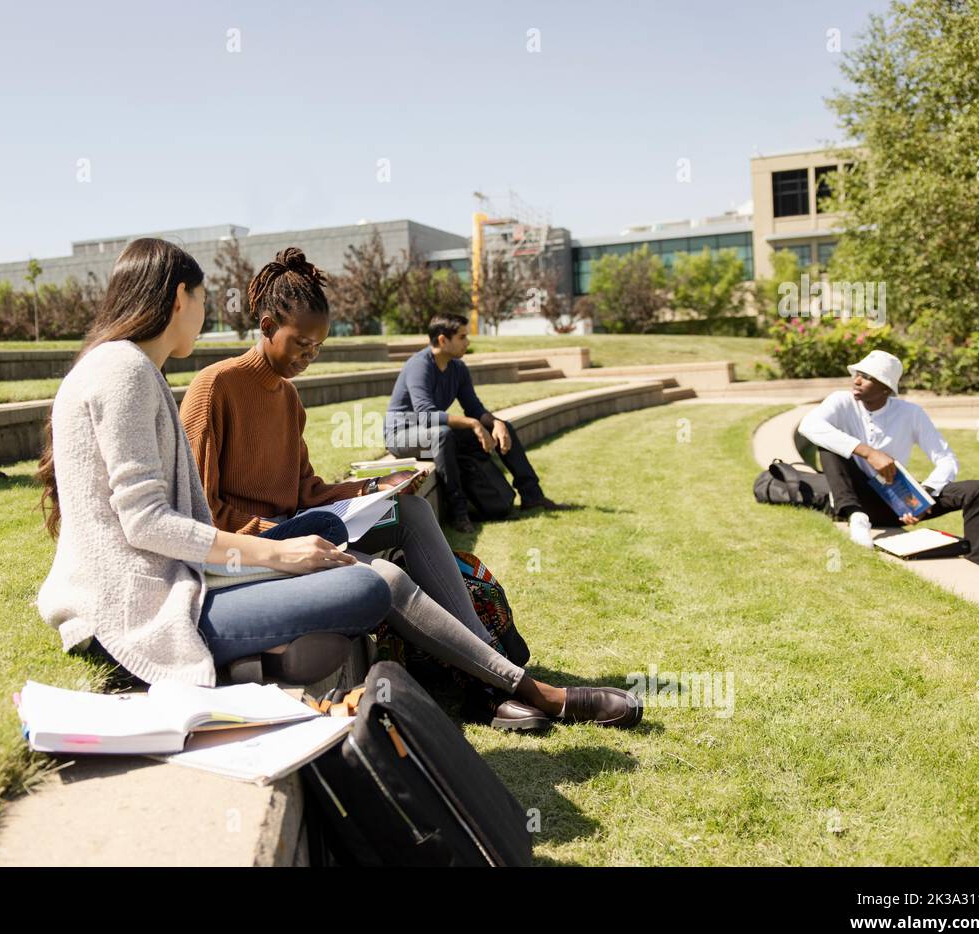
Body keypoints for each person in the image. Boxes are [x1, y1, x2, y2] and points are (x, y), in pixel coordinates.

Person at [180, 247, 643, 729]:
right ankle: (531, 690)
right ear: (267, 324)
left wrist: (375, 486)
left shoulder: (289, 399)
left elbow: (305, 491)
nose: (308, 358)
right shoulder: (216, 388)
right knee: (390, 578)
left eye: (317, 348)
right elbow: (200, 519)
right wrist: (280, 538)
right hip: (250, 554)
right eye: (300, 344)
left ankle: (487, 676)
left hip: (298, 528)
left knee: (413, 513)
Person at [35, 238, 392, 687]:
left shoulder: (126, 367)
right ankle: (262, 664)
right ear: (181, 297)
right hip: (137, 607)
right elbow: (146, 523)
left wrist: (280, 554)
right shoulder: (123, 372)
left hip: (170, 578)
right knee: (364, 589)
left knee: (335, 544)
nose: (206, 315)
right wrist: (279, 553)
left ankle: (271, 660)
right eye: (204, 299)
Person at [799, 349, 979, 569]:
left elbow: (947, 459)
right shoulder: (841, 401)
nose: (857, 380)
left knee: (976, 489)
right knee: (829, 445)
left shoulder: (911, 413)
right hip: (856, 496)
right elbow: (808, 426)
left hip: (899, 504)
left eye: (866, 377)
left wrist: (925, 496)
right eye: (857, 374)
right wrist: (868, 452)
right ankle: (856, 517)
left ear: (885, 387)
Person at [385, 314, 564, 533]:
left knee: (502, 426)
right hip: (402, 435)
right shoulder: (419, 366)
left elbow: (475, 409)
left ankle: (532, 496)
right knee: (443, 435)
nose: (467, 342)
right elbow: (425, 414)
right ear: (443, 340)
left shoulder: (458, 368)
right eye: (462, 337)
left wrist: (495, 423)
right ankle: (458, 514)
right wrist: (472, 424)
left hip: (432, 432)